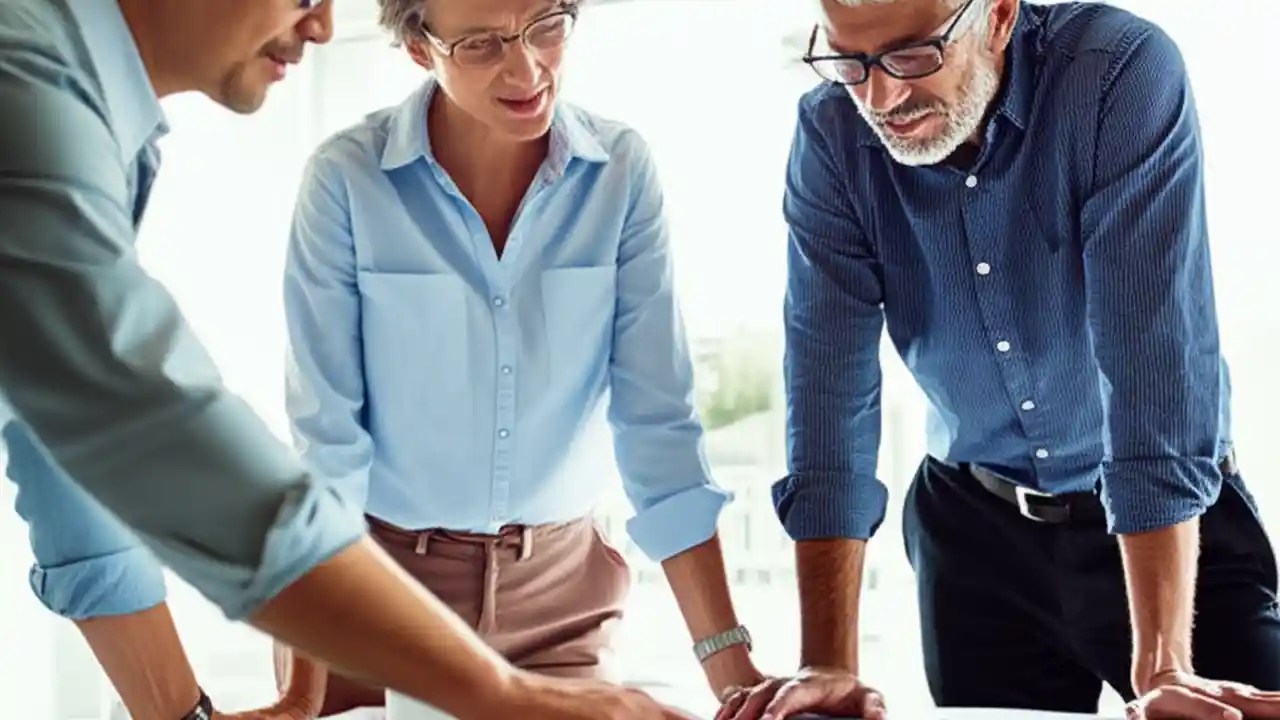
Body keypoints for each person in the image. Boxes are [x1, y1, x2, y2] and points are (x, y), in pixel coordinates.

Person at [0, 0, 692, 718]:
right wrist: (499, 694)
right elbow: (147, 418)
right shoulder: (25, 92)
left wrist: (181, 714)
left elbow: (60, 442)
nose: (324, 26)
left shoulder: (83, 110)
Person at [716, 1, 1280, 720]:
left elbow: (1153, 358)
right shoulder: (831, 132)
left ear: (1001, 15)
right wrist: (827, 660)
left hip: (1166, 522)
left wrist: (1165, 662)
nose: (880, 98)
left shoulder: (1116, 73)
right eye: (848, 61)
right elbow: (828, 385)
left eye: (913, 56)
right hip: (976, 535)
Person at [272, 0, 766, 714]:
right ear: (420, 48)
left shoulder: (619, 172)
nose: (526, 68)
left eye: (547, 25)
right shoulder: (348, 180)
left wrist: (733, 672)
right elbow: (328, 447)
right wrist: (302, 692)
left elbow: (657, 426)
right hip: (378, 590)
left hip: (560, 603)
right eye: (480, 45)